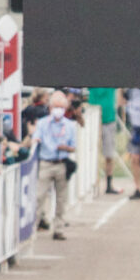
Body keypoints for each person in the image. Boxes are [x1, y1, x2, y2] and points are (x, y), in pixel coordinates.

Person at [33, 93, 79, 239]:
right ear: (50, 108)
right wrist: (36, 139)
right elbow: (36, 137)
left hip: (61, 163)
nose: (58, 110)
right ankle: (34, 226)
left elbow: (74, 146)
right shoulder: (42, 123)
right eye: (55, 107)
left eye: (61, 107)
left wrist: (66, 148)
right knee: (39, 196)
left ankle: (58, 228)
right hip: (46, 163)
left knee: (61, 199)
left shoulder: (69, 125)